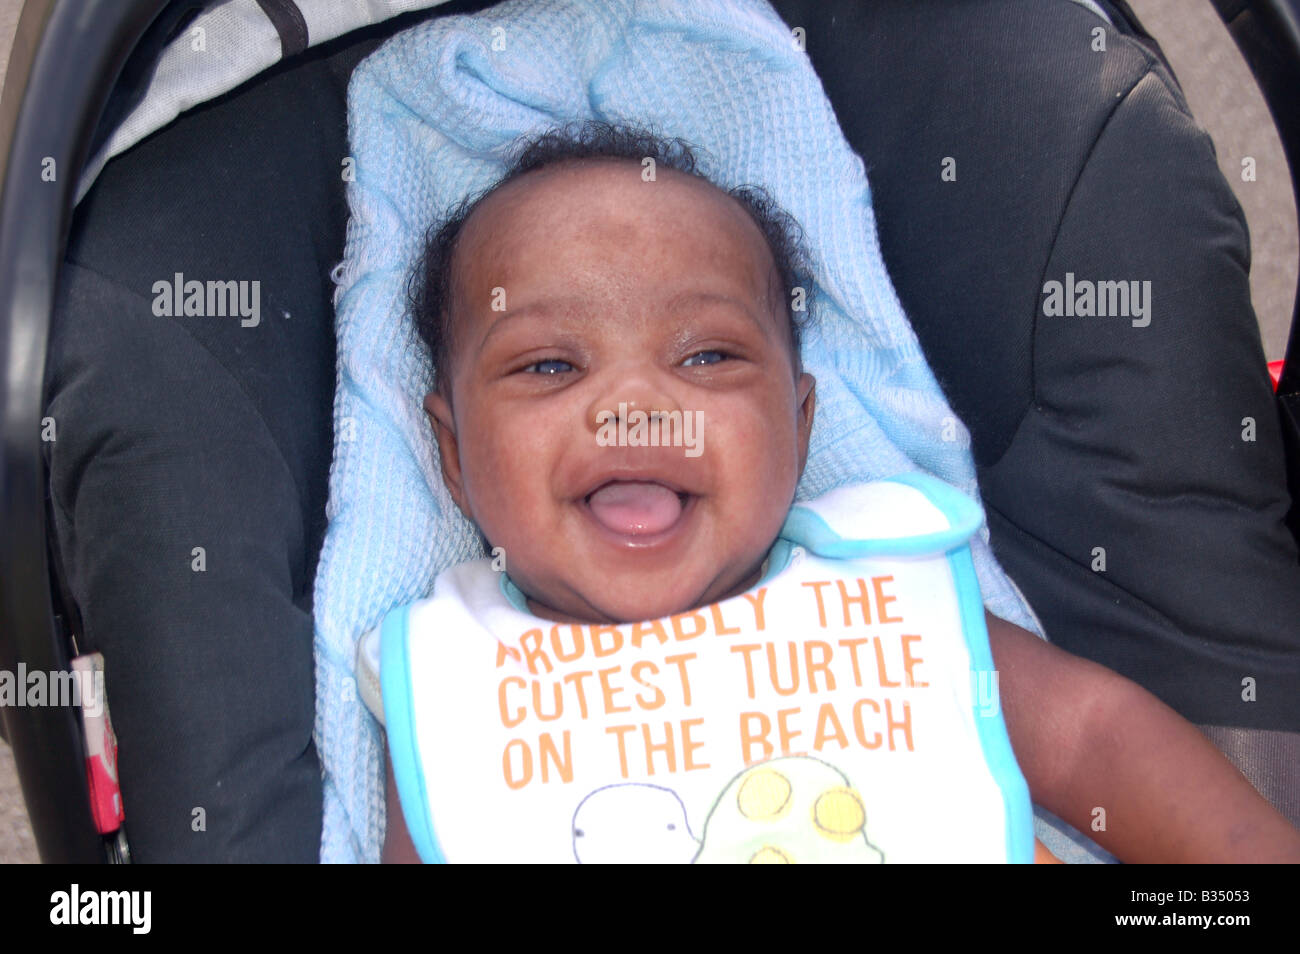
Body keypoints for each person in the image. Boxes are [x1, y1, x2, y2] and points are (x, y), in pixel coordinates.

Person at [360, 122, 1300, 863]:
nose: (636, 404)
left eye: (707, 354)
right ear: (453, 453)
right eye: (552, 364)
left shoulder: (877, 590)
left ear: (800, 425)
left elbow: (1094, 739)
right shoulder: (456, 672)